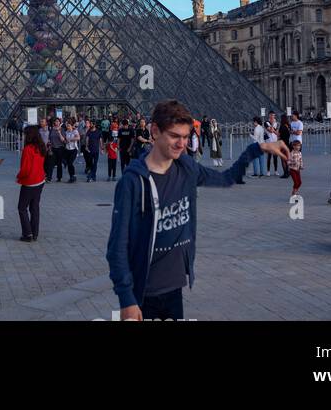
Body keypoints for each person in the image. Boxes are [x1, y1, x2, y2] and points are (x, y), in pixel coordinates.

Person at [106, 100, 285, 320]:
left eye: (185, 136)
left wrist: (258, 148)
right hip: (144, 294)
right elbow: (117, 248)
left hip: (175, 287)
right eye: (174, 136)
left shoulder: (186, 168)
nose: (182, 144)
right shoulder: (132, 183)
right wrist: (127, 300)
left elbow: (226, 178)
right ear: (155, 131)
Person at [16, 125, 48, 242]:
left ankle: (27, 233)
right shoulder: (41, 147)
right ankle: (34, 233)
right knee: (34, 208)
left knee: (22, 208)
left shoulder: (28, 149)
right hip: (40, 180)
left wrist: (18, 177)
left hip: (29, 182)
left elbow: (25, 169)